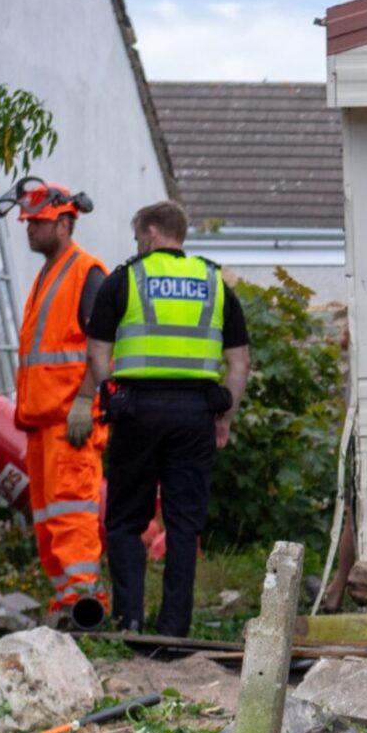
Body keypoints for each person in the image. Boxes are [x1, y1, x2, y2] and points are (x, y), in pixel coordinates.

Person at [77, 200, 250, 637]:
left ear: (151, 233)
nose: (137, 244)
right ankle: (175, 628)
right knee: (183, 523)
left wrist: (108, 392)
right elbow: (239, 362)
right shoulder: (215, 283)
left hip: (136, 409)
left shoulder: (126, 279)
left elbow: (97, 351)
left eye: (138, 236)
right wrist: (225, 415)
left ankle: (129, 619)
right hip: (195, 413)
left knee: (124, 519)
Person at [1, 180, 111, 628]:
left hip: (71, 420)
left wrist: (86, 400)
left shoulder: (87, 273)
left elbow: (104, 345)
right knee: (50, 520)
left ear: (65, 223)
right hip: (42, 420)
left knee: (72, 513)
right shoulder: (50, 274)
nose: (29, 229)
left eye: (39, 222)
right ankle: (67, 603)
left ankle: (85, 604)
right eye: (27, 222)